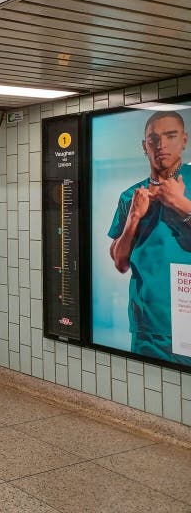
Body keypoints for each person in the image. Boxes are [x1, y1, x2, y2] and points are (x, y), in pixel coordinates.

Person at [109, 110, 191, 366]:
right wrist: (134, 218)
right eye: (153, 139)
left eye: (170, 135)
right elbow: (121, 263)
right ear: (145, 146)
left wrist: (181, 204)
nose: (161, 144)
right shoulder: (131, 196)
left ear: (184, 140)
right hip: (148, 327)